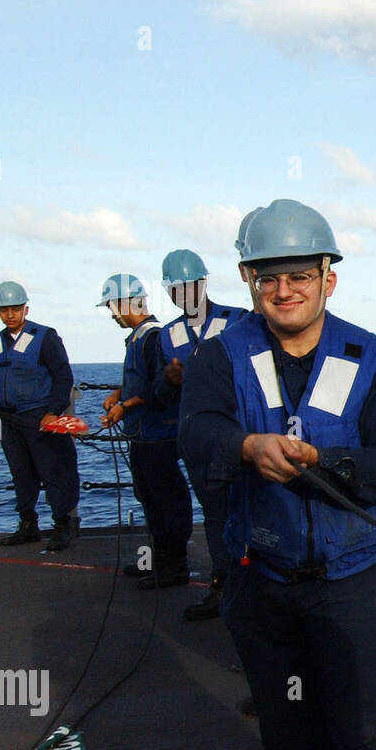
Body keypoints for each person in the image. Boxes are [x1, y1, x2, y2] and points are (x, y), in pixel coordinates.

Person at [178, 199, 376, 750]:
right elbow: (196, 433)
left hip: (348, 579)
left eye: (299, 277)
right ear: (250, 281)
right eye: (267, 278)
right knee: (288, 719)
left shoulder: (371, 359)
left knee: (368, 721)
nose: (284, 292)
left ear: (328, 278)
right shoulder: (220, 359)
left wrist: (330, 467)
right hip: (260, 575)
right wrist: (245, 447)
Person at [155, 249, 248, 619]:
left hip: (238, 437)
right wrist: (168, 380)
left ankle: (254, 588)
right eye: (175, 289)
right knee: (213, 515)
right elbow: (161, 396)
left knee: (247, 510)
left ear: (203, 283)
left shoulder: (238, 320)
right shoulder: (167, 336)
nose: (184, 294)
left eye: (190, 286)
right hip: (197, 442)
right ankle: (222, 584)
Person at [96, 273, 193, 589]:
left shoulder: (151, 337)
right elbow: (142, 378)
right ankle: (157, 561)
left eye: (112, 306)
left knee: (165, 499)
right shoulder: (140, 336)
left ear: (124, 303)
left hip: (157, 434)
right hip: (143, 433)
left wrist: (124, 406)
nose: (112, 314)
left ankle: (174, 567)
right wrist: (119, 392)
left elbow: (160, 388)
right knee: (149, 497)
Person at [0, 281, 79, 551]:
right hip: (8, 420)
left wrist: (52, 413)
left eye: (15, 309)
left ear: (25, 308)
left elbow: (63, 377)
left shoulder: (45, 337)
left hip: (40, 417)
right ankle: (28, 525)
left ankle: (62, 526)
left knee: (54, 470)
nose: (9, 315)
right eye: (4, 310)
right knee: (21, 473)